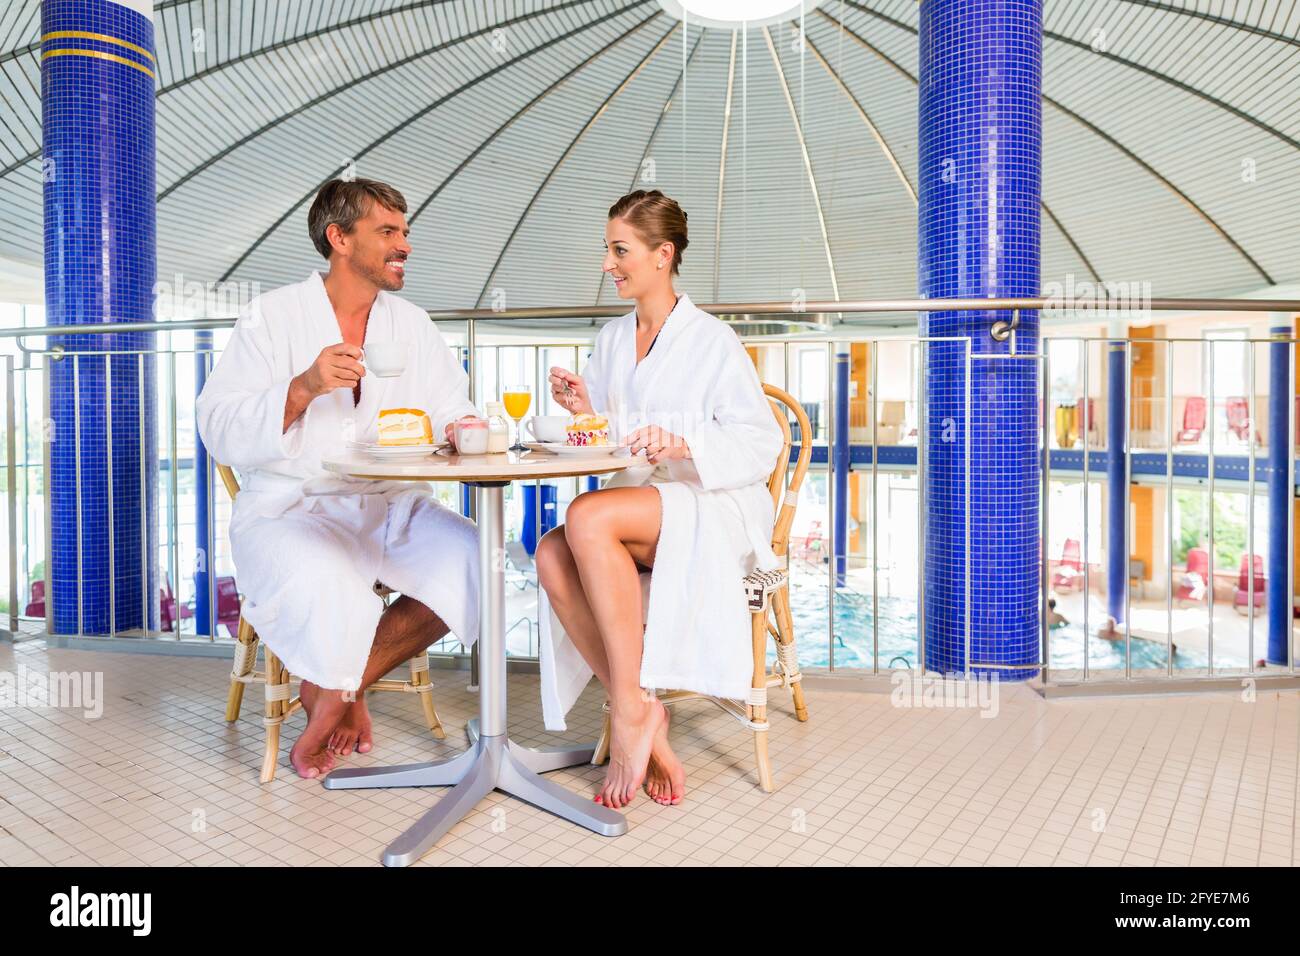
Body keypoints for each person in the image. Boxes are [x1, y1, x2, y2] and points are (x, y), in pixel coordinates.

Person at [197, 178, 481, 779]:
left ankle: (335, 691)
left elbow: (453, 404)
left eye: (405, 232)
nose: (405, 244)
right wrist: (302, 388)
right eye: (388, 232)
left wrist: (465, 427)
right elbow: (217, 424)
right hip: (294, 507)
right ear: (339, 238)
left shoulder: (412, 322)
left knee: (474, 558)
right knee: (334, 588)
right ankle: (339, 691)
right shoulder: (271, 316)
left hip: (387, 502)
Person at [536, 190, 783, 809]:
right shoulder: (614, 338)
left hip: (711, 503)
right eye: (607, 250)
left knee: (585, 516)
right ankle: (641, 706)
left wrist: (686, 443)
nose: (608, 264)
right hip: (642, 503)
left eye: (620, 250)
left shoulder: (712, 339)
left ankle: (626, 715)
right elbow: (619, 441)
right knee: (549, 553)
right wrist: (585, 411)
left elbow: (762, 440)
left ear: (662, 255)